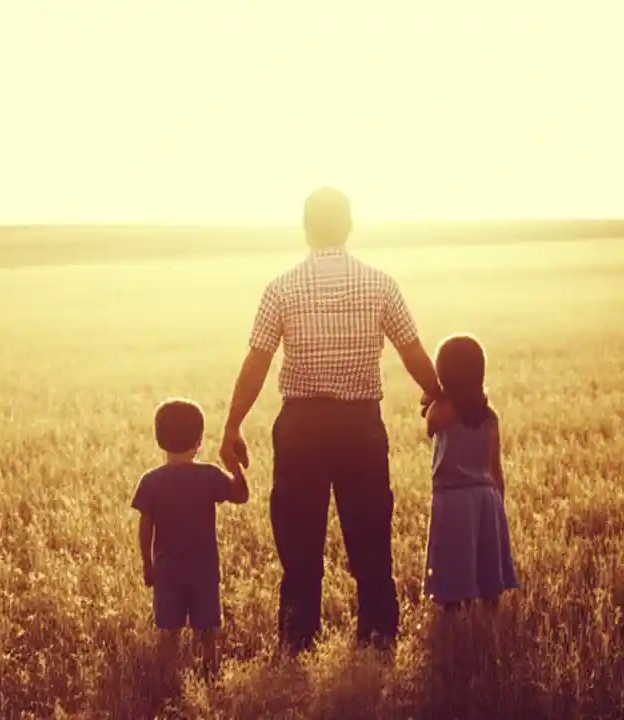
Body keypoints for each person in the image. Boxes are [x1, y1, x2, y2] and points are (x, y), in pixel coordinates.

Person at [219, 187, 446, 653]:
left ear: (305, 228)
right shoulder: (381, 284)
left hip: (300, 427)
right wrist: (441, 395)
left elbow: (257, 361)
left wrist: (232, 425)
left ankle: (297, 642)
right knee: (370, 535)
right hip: (360, 427)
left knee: (299, 544)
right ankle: (379, 637)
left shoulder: (281, 287)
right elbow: (412, 351)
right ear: (349, 227)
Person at [132, 398, 249, 677]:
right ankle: (209, 676)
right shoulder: (209, 476)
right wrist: (235, 468)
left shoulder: (151, 482)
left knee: (168, 632)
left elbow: (145, 527)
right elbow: (241, 496)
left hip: (167, 572)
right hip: (204, 571)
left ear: (159, 439)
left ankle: (166, 679)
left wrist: (147, 564)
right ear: (199, 441)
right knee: (207, 631)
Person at [422, 335, 518, 608]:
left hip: (452, 499)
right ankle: (490, 617)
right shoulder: (489, 416)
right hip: (487, 497)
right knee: (487, 564)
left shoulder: (440, 411)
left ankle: (452, 616)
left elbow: (428, 426)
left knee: (452, 568)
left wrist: (432, 394)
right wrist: (499, 500)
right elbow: (495, 466)